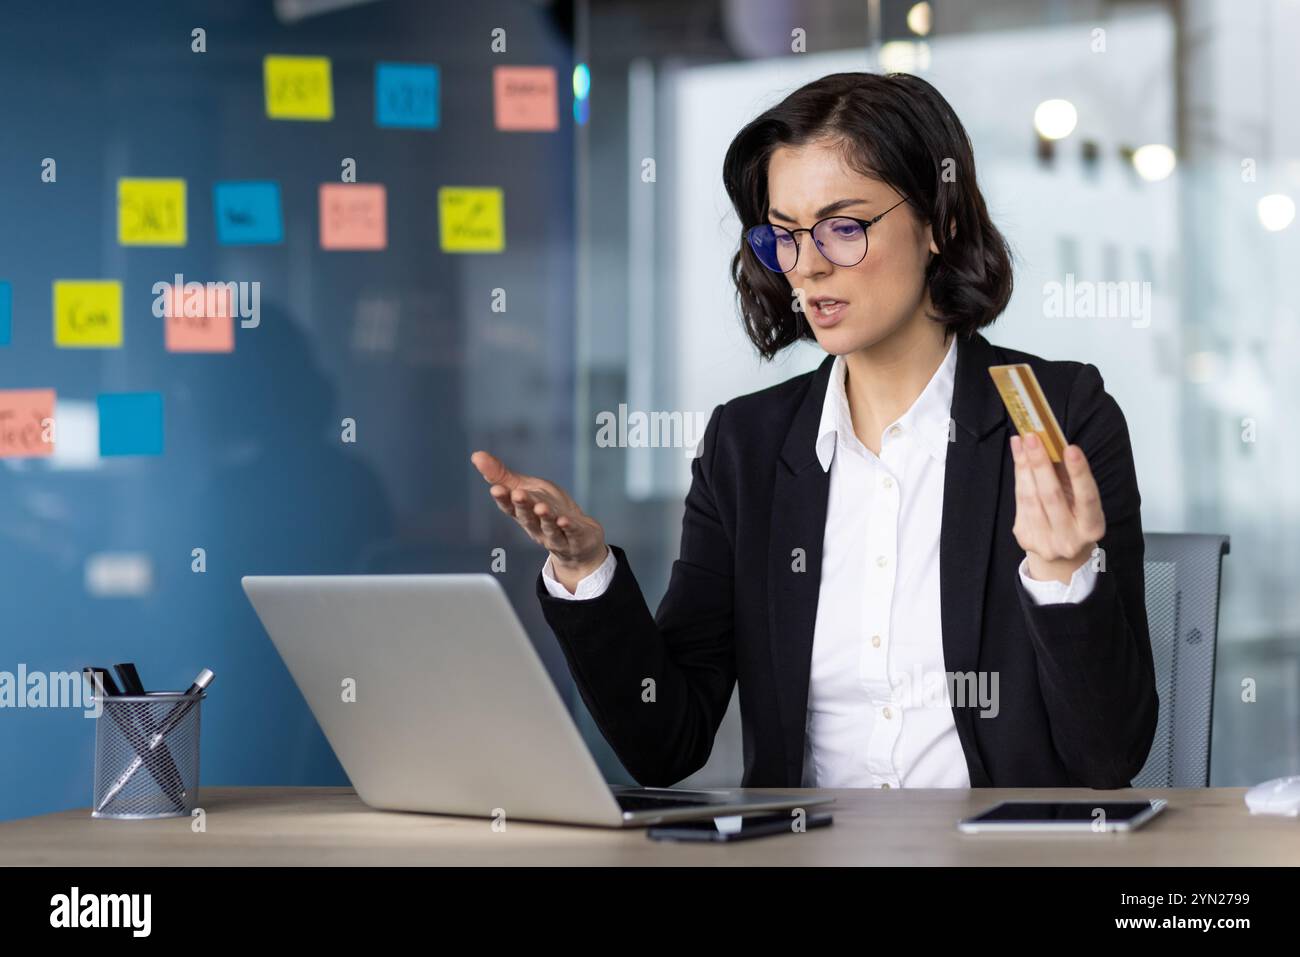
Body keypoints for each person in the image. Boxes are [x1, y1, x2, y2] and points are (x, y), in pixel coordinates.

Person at [471, 71, 1157, 790]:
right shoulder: (747, 446)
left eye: (844, 227)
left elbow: (1109, 756)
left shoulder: (1053, 416)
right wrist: (585, 570)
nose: (810, 265)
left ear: (940, 222)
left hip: (996, 842)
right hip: (804, 841)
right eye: (786, 236)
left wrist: (1063, 576)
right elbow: (666, 742)